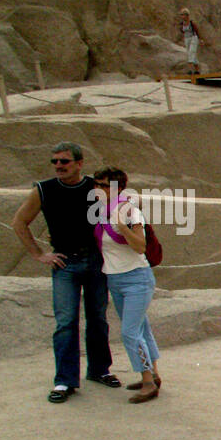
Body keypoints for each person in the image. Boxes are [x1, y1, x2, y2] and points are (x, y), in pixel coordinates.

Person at [10, 142, 118, 403]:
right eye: (55, 161)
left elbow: (117, 212)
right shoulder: (43, 190)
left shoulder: (95, 187)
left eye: (64, 161)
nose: (58, 165)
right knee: (66, 322)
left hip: (95, 261)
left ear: (79, 164)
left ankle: (99, 370)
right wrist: (39, 254)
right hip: (64, 263)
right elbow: (19, 222)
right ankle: (64, 380)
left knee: (98, 319)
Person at [91, 167, 161, 404]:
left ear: (118, 188)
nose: (98, 188)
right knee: (141, 329)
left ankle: (148, 381)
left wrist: (122, 227)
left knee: (130, 332)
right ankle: (154, 375)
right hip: (115, 278)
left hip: (136, 278)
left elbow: (140, 246)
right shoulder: (101, 211)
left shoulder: (128, 211)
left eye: (103, 185)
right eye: (96, 184)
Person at [177, 8, 204, 74]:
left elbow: (197, 31)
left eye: (183, 15)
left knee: (192, 52)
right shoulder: (182, 24)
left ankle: (190, 69)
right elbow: (182, 32)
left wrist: (200, 39)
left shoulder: (192, 23)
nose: (182, 16)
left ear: (187, 15)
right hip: (187, 39)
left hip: (193, 38)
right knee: (191, 53)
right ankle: (197, 70)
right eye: (181, 15)